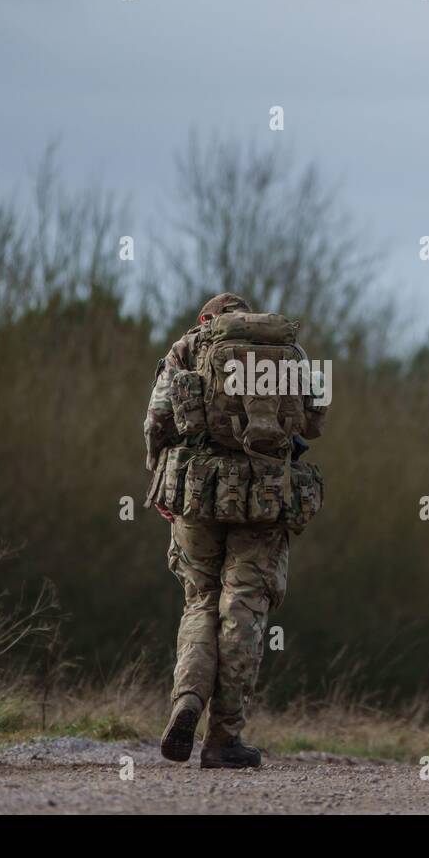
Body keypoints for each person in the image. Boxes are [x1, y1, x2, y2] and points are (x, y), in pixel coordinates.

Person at [143, 292, 325, 769]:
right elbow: (315, 417)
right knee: (243, 602)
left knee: (201, 599)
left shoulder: (186, 348)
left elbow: (156, 421)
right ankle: (223, 738)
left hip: (197, 495)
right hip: (264, 496)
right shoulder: (289, 350)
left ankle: (187, 700)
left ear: (208, 318)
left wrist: (160, 482)